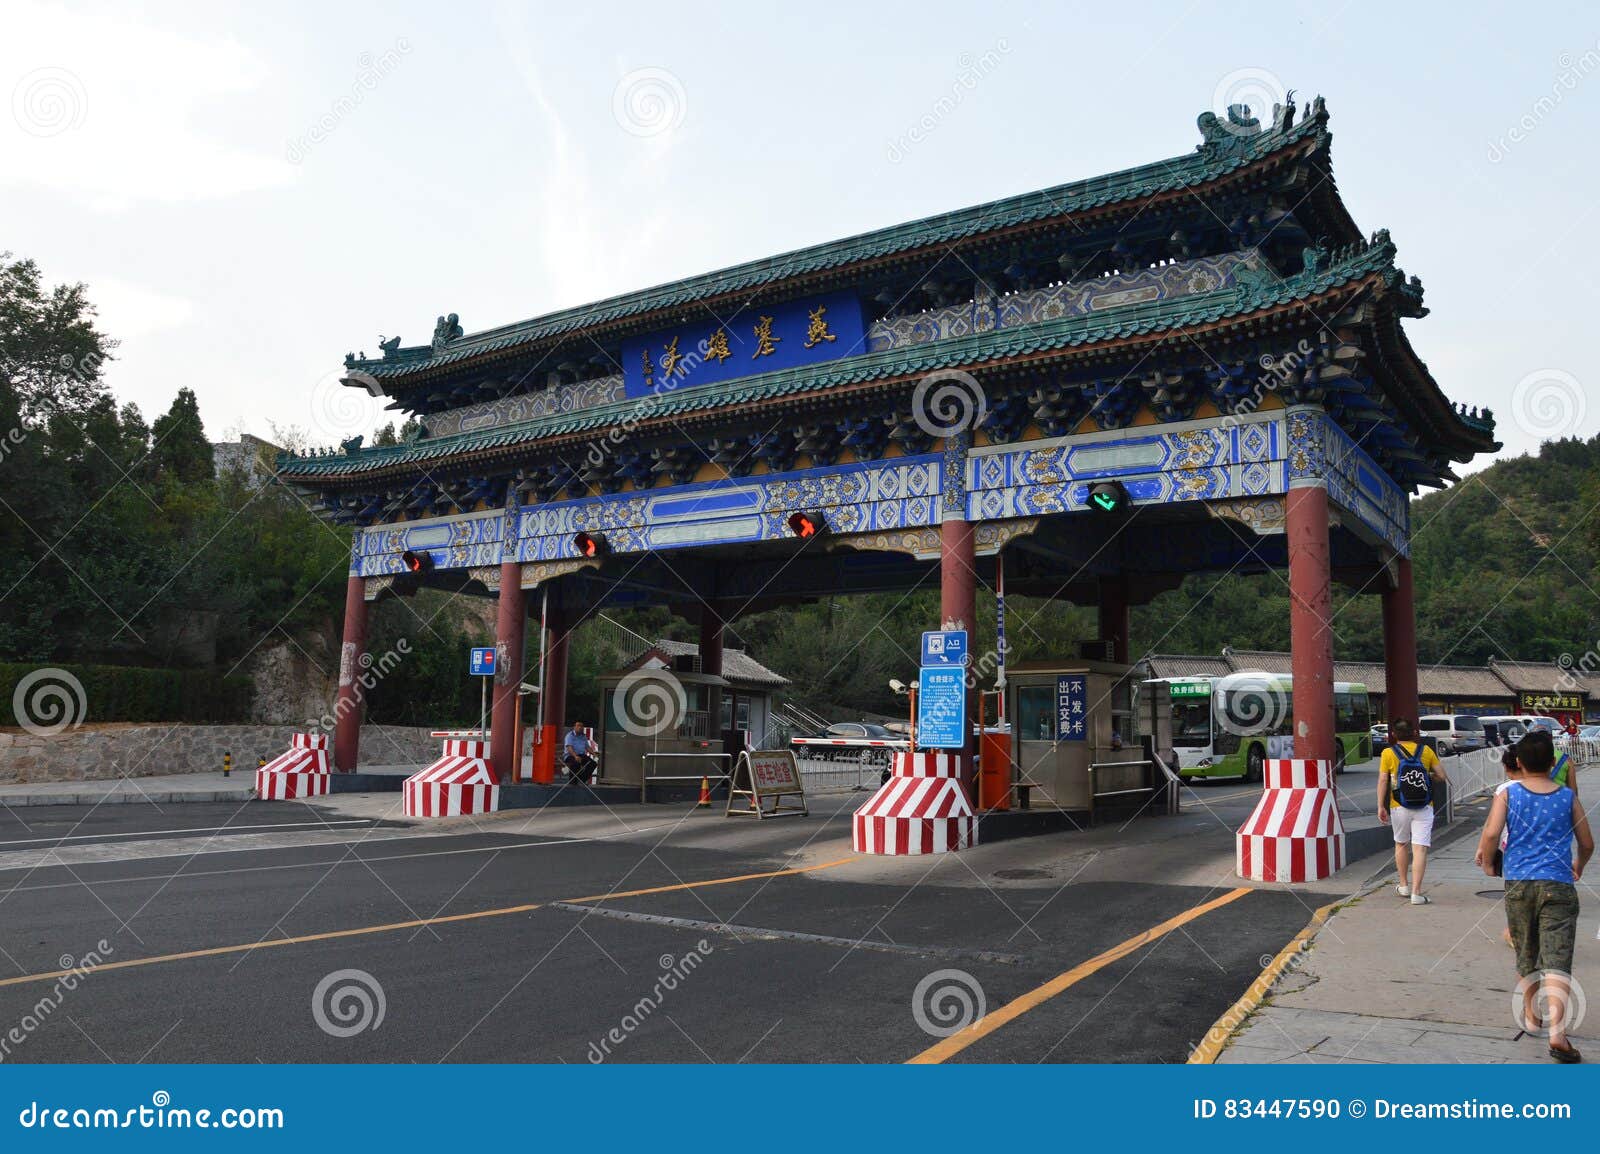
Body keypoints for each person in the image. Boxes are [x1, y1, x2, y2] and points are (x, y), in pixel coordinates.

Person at [1476, 729, 1593, 1063]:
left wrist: (1487, 862)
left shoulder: (1508, 795)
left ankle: (1531, 1015)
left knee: (1527, 952)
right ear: (1552, 762)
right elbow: (1587, 842)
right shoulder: (1567, 796)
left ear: (1520, 763)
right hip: (1558, 883)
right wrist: (1578, 865)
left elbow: (1491, 832)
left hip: (1519, 884)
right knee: (1557, 958)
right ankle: (1558, 1034)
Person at [1377, 719, 1446, 905]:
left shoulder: (1388, 753)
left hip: (1398, 805)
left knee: (1401, 844)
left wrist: (1380, 806)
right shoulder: (1426, 751)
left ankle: (1403, 885)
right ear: (1414, 733)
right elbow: (1442, 776)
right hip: (1424, 806)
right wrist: (1428, 774)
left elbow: (1384, 780)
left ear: (1393, 734)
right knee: (1420, 848)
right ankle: (1417, 893)